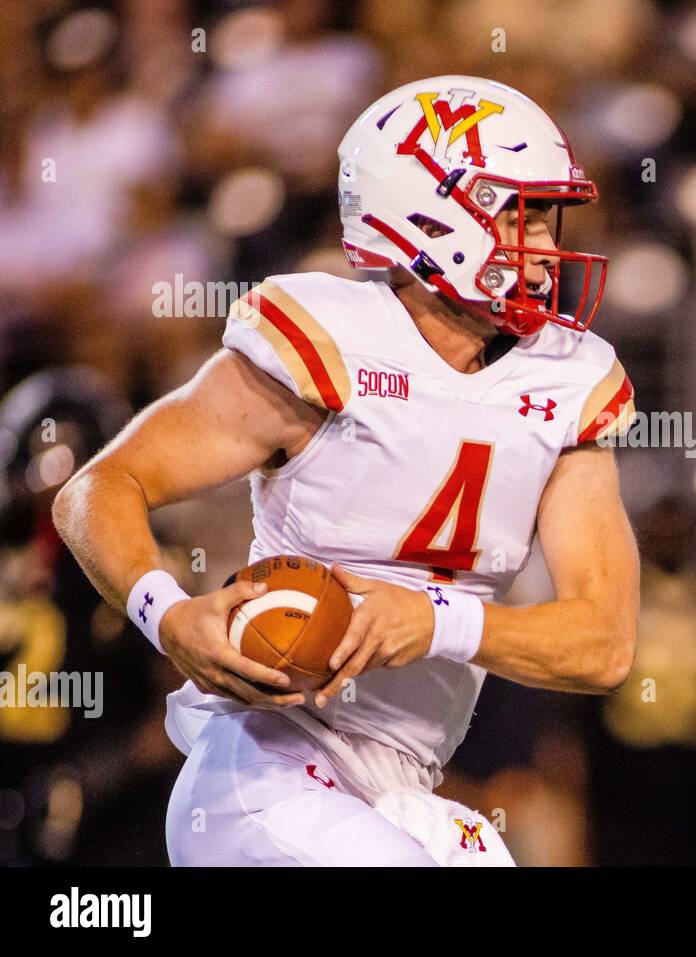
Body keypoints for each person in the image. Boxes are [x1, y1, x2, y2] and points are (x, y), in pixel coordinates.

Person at [52, 75, 640, 866]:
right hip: (267, 766)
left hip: (406, 787)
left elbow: (602, 642)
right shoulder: (330, 340)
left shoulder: (567, 378)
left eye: (544, 214)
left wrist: (433, 618)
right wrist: (168, 613)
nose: (541, 243)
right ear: (430, 216)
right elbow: (97, 487)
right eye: (516, 212)